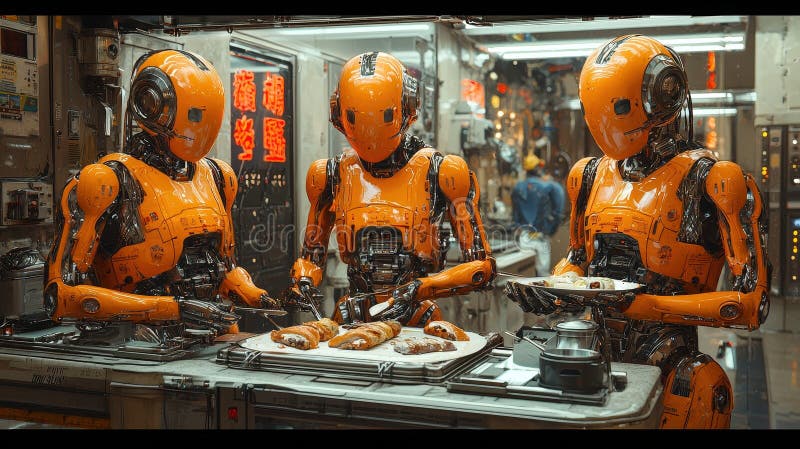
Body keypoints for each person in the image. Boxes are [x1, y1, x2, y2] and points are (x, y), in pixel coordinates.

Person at [505, 35, 770, 428]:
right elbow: (577, 258)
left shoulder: (715, 181)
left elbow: (751, 304)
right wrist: (557, 290)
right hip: (587, 359)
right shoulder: (589, 175)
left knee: (703, 389)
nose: (606, 124)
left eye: (618, 108)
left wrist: (649, 307)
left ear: (664, 95)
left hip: (672, 366)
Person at [44, 49, 280, 341]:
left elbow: (225, 271)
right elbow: (61, 295)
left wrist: (254, 295)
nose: (203, 129)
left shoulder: (218, 177)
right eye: (195, 116)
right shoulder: (107, 183)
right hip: (135, 348)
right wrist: (171, 309)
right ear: (151, 105)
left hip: (216, 342)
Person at [284, 51, 496, 326]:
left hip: (419, 316)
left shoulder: (443, 172)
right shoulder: (329, 174)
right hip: (353, 315)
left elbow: (483, 267)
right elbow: (311, 258)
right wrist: (303, 282)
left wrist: (424, 288)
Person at [511, 151, 566, 276]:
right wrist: (552, 229)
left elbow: (515, 214)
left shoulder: (518, 187)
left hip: (523, 237)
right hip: (541, 237)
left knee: (524, 271)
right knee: (542, 274)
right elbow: (558, 211)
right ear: (538, 168)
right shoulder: (549, 186)